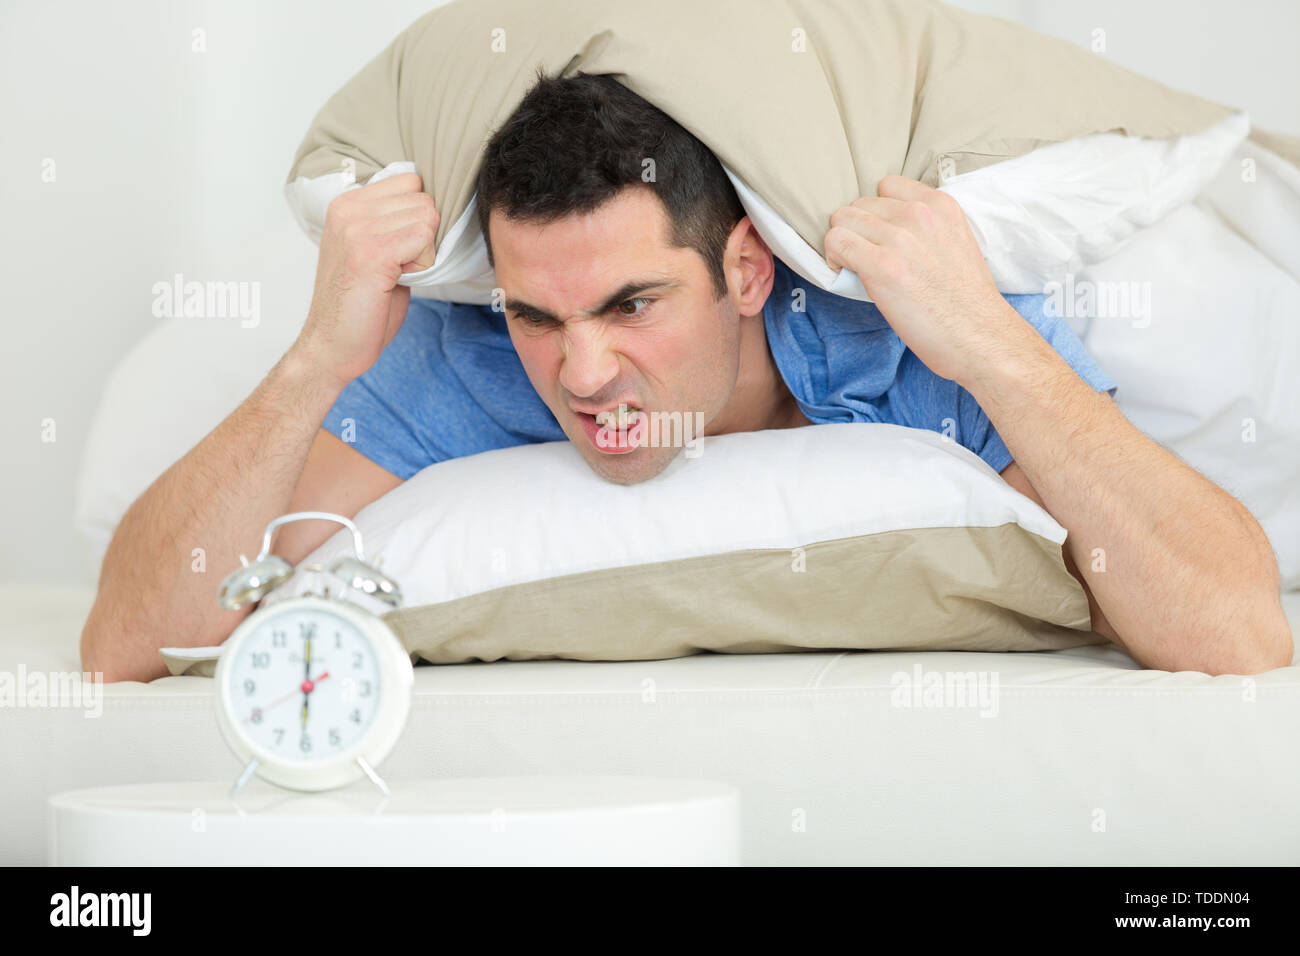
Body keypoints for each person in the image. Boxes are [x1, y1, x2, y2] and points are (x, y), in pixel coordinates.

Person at [81, 73, 1291, 682]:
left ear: (748, 269)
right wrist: (318, 355)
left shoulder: (910, 335)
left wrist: (982, 336)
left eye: (632, 304)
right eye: (540, 315)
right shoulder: (471, 353)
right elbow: (127, 640)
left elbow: (1234, 630)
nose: (582, 370)